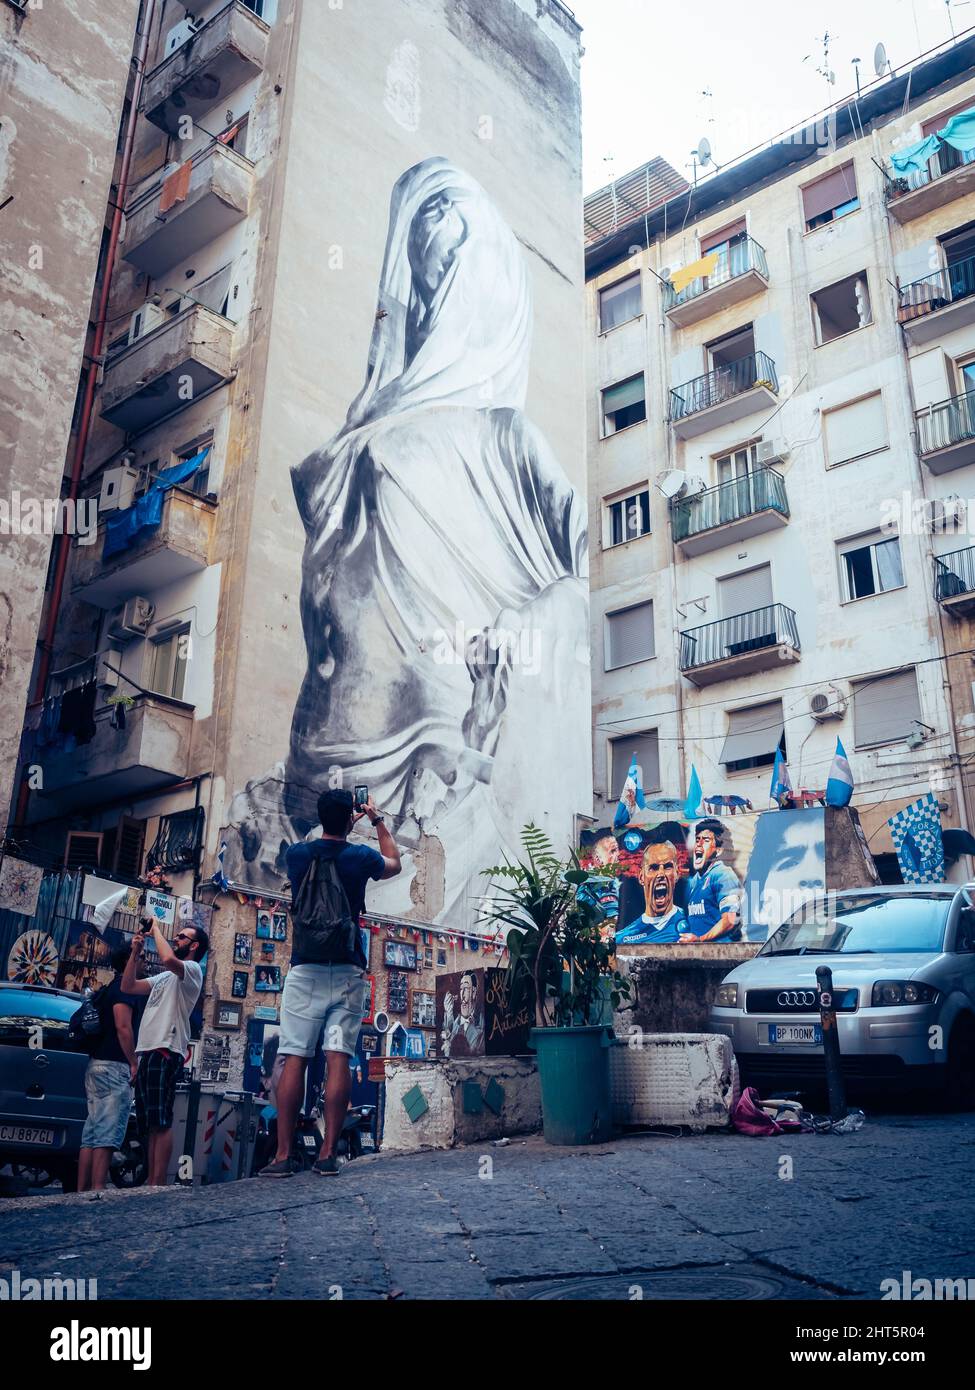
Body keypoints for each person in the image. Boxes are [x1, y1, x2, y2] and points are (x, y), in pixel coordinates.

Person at [260, 787, 401, 1178]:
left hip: (304, 970)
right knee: (338, 1057)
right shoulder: (359, 857)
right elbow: (394, 862)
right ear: (350, 818)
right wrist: (375, 820)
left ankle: (283, 1156)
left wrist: (339, 822)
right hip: (346, 972)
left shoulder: (297, 855)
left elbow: (317, 845)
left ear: (322, 818)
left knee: (293, 1057)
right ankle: (327, 1154)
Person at [121, 918, 208, 1187]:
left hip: (166, 1048)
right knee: (150, 1124)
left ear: (193, 946)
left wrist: (156, 930)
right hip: (148, 1050)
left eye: (181, 937)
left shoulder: (192, 969)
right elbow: (128, 987)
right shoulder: (165, 977)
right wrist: (135, 953)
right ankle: (152, 1182)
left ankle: (157, 1183)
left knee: (162, 1120)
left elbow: (169, 959)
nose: (176, 939)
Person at [77, 947, 140, 1193]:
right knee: (106, 1133)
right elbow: (123, 1027)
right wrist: (134, 1061)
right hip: (114, 1066)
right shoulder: (123, 990)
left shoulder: (105, 990)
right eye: (141, 958)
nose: (144, 962)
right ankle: (97, 1189)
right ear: (129, 961)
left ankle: (81, 1192)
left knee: (91, 1132)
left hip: (95, 1065)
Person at [681, 819, 743, 943]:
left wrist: (700, 940)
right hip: (697, 955)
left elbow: (730, 919)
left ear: (718, 850)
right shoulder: (693, 882)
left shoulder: (723, 874)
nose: (699, 844)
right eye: (697, 839)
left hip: (721, 955)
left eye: (706, 840)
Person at [616, 840, 688, 945]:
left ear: (676, 874)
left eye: (667, 867)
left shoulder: (693, 924)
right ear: (641, 877)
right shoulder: (623, 938)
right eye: (653, 868)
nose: (661, 874)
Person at [441, 971, 484, 1057]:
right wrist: (448, 1012)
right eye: (461, 989)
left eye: (466, 988)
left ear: (474, 992)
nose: (462, 995)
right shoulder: (455, 1023)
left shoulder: (482, 1025)